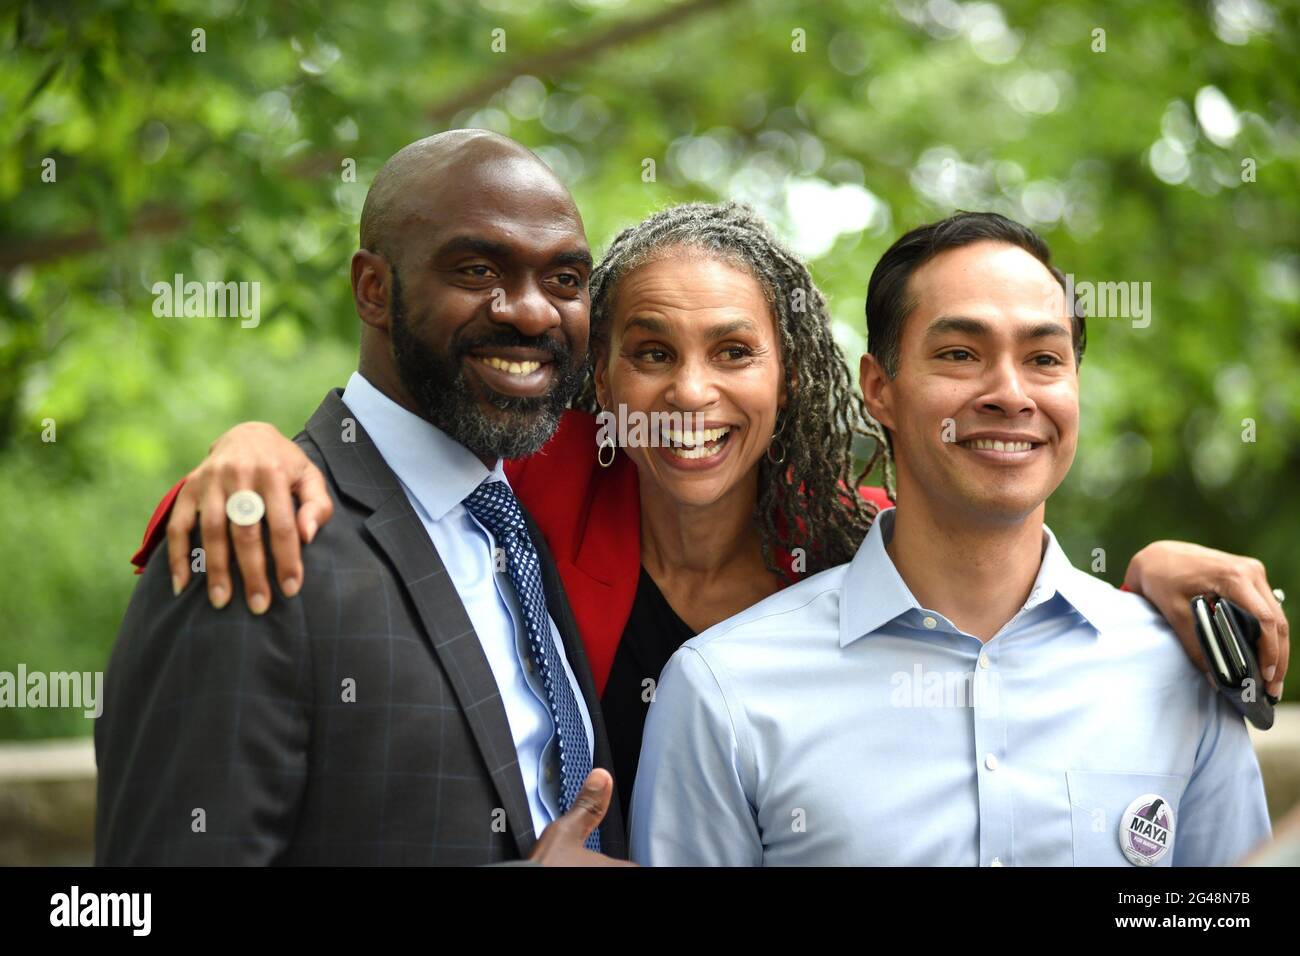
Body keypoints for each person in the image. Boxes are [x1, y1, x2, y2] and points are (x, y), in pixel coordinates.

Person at [132, 206, 1290, 826]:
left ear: (788, 377)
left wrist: (1146, 570)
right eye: (648, 353)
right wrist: (255, 448)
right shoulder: (535, 492)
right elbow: (380, 478)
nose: (689, 393)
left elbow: (998, 546)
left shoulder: (845, 534)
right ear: (600, 380)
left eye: (732, 352)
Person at [629, 212, 1273, 866]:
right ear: (879, 389)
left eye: (1044, 359)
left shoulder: (1179, 673)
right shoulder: (724, 691)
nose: (1010, 394)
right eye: (960, 354)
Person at [97, 130, 629, 865]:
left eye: (566, 280)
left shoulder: (520, 525)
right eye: (479, 269)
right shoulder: (251, 536)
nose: (533, 313)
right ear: (373, 289)